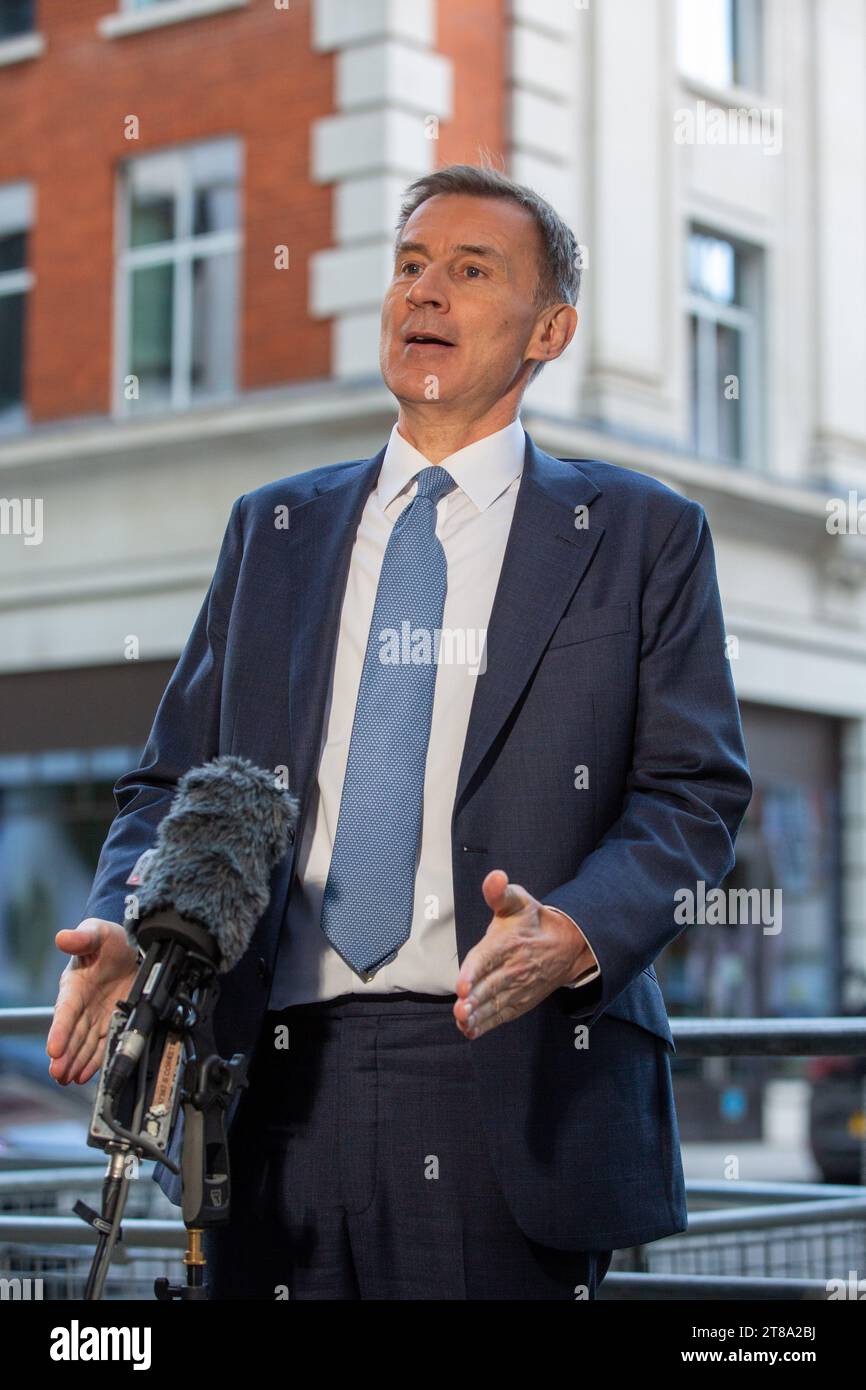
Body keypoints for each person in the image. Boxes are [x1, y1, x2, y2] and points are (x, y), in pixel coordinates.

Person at [47, 163, 752, 1300]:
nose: (424, 292)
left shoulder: (639, 536)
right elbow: (169, 781)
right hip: (271, 1083)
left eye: (471, 271)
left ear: (548, 329)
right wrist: (132, 919)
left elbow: (692, 791)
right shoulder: (273, 529)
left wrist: (575, 929)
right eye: (409, 265)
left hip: (508, 1078)